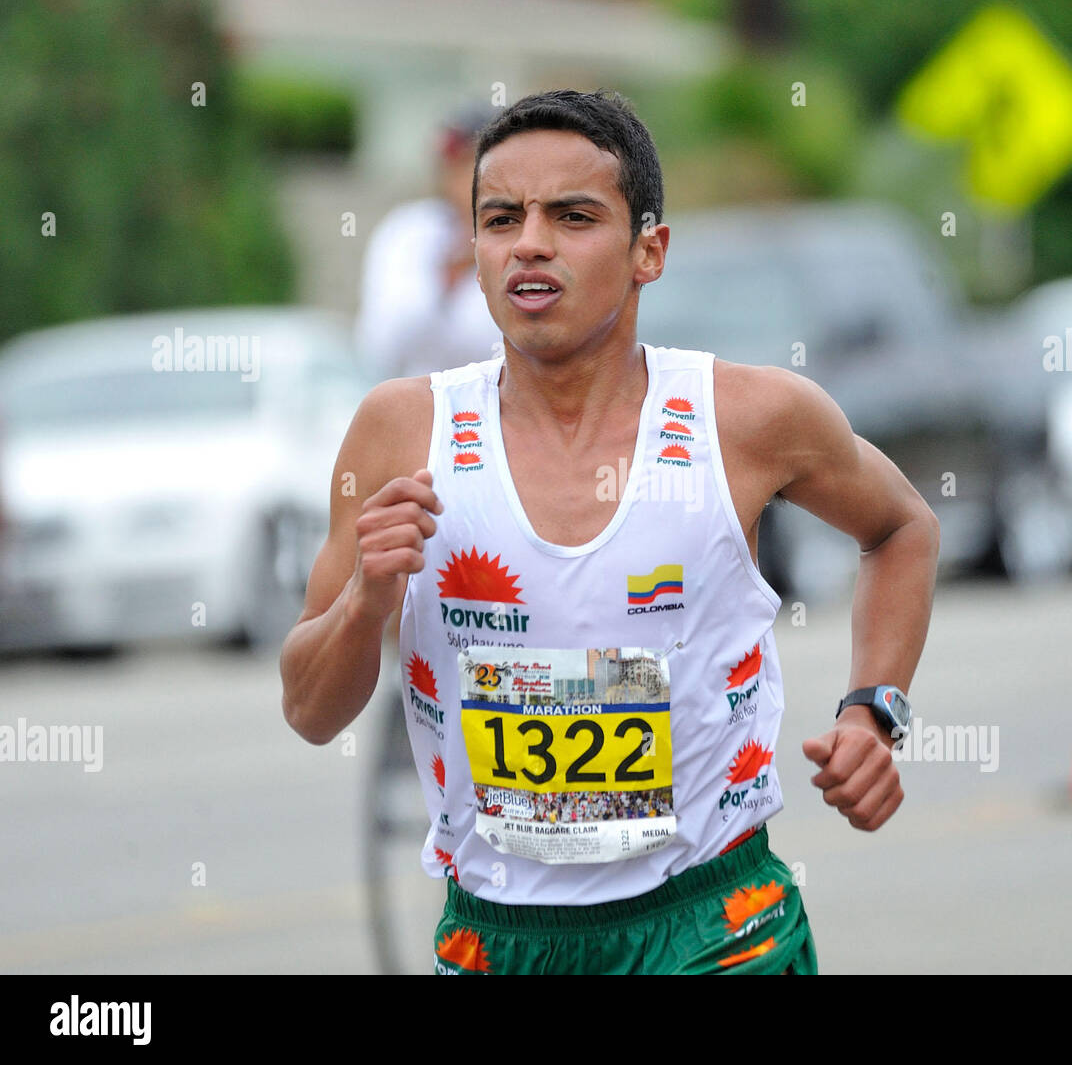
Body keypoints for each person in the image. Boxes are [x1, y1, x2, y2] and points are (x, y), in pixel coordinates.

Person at [280, 88, 941, 975]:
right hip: (497, 941)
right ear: (473, 251)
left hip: (715, 925)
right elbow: (310, 711)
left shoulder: (745, 418)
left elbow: (901, 527)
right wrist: (366, 601)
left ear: (649, 251)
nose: (531, 243)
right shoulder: (401, 433)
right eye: (501, 218)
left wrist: (874, 712)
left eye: (574, 216)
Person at [354, 103, 503, 381]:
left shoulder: (524, 235)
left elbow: (508, 346)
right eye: (454, 166)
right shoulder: (409, 229)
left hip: (499, 408)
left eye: (471, 164)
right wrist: (448, 276)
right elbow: (381, 343)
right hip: (420, 406)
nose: (462, 179)